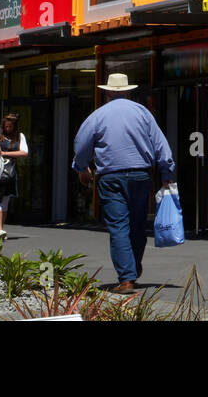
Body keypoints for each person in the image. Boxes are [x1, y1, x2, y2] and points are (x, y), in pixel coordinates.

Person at [72, 72, 176, 294]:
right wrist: (167, 171)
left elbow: (81, 144)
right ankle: (132, 269)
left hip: (110, 176)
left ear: (107, 92)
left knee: (119, 225)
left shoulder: (98, 115)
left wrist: (82, 167)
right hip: (141, 174)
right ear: (128, 90)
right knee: (138, 224)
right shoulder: (143, 113)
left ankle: (127, 278)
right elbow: (160, 143)